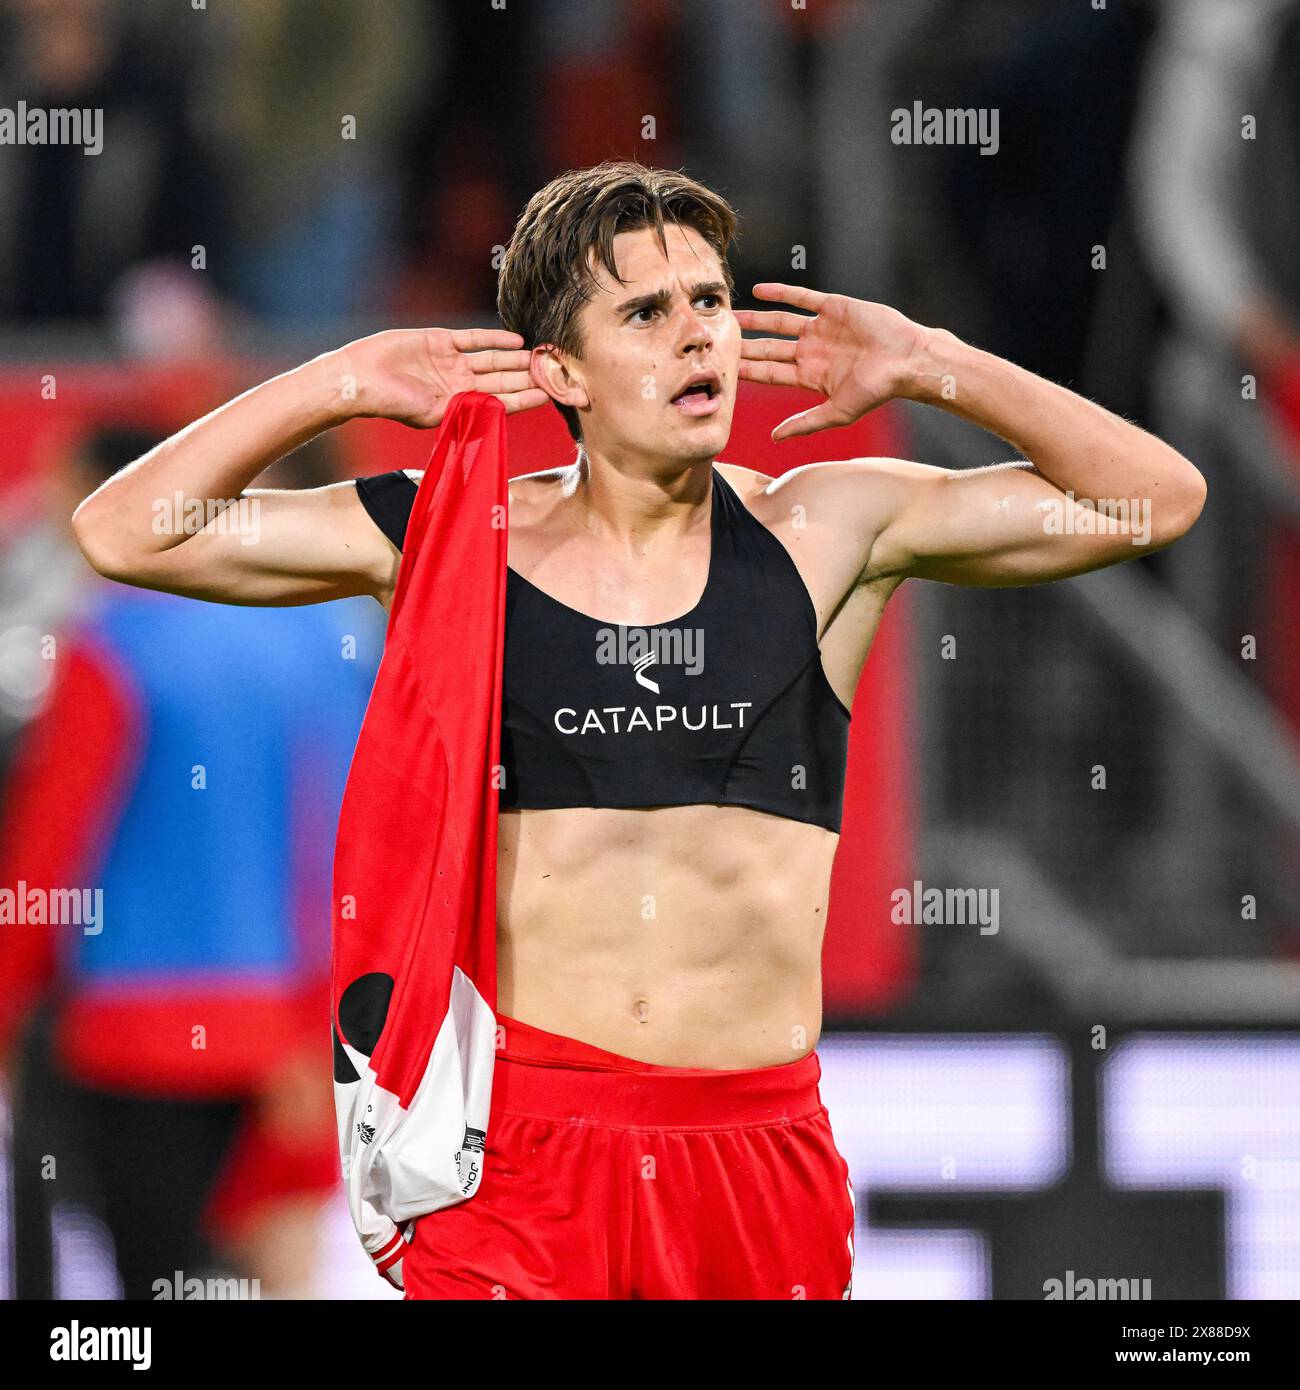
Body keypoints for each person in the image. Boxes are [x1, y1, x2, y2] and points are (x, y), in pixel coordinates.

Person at [68, 161, 1206, 1300]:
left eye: (709, 301)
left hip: (757, 1155)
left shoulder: (831, 525)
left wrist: (934, 364)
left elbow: (1153, 498)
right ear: (560, 368)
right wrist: (332, 381)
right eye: (647, 313)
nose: (696, 338)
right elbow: (126, 533)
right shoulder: (450, 533)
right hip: (521, 1163)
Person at [0, 427, 382, 1299]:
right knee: (280, 1278)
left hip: (140, 1038)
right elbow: (364, 833)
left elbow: (49, 858)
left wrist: (7, 1009)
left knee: (154, 1287)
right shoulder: (332, 634)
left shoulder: (111, 643)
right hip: (308, 1034)